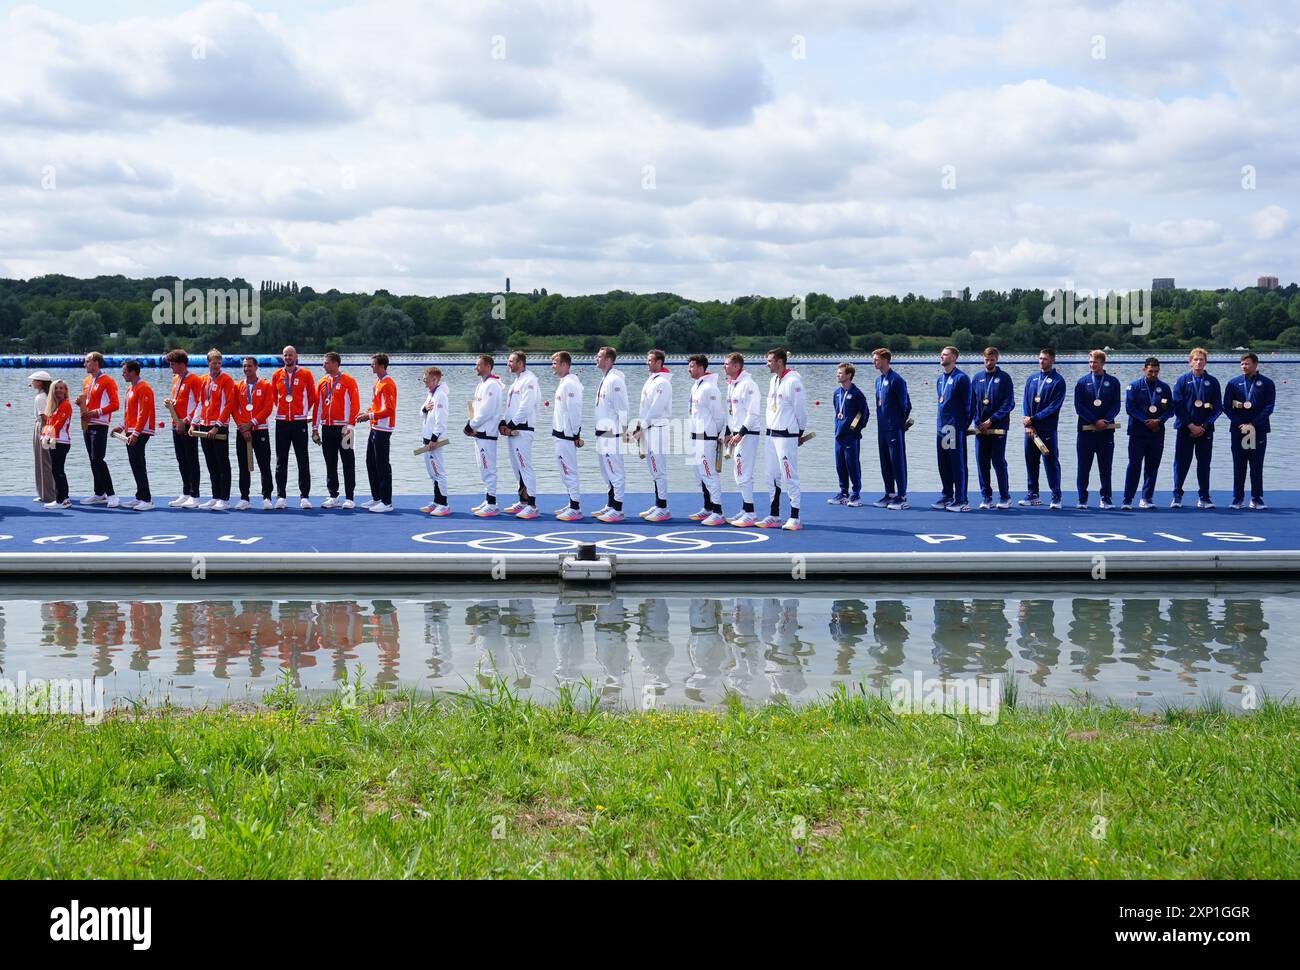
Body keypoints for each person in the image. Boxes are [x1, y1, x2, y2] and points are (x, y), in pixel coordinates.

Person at [759, 347, 806, 531]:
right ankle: (774, 514)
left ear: (779, 362)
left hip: (786, 435)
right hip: (771, 434)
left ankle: (795, 517)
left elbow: (801, 410)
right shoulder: (773, 380)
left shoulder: (793, 381)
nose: (767, 364)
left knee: (789, 476)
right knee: (771, 476)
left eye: (770, 361)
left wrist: (799, 432)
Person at [1171, 347, 1222, 509]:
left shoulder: (1213, 382)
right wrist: (1190, 425)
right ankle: (1177, 496)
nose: (1199, 362)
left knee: (1204, 464)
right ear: (1190, 362)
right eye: (1196, 359)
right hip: (1185, 428)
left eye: (1202, 360)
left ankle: (1204, 497)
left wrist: (1204, 426)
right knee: (1181, 463)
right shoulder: (1182, 380)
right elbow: (1177, 406)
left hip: (1205, 430)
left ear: (1206, 362)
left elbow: (1218, 408)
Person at [1224, 351, 1275, 510]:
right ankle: (1238, 498)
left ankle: (1256, 498)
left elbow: (1269, 407)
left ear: (1255, 364)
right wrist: (1240, 424)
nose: (1244, 366)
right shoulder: (1233, 383)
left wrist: (1253, 424)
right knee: (1239, 465)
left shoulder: (1267, 383)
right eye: (1242, 364)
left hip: (1258, 430)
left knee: (1256, 465)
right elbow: (1227, 407)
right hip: (1238, 430)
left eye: (1247, 363)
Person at [1121, 356, 1173, 509]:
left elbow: (1171, 410)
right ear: (1144, 370)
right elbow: (1130, 409)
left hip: (1157, 432)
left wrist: (1159, 421)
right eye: (1150, 371)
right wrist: (1146, 421)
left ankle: (1146, 498)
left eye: (1156, 371)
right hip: (1138, 432)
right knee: (1134, 465)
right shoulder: (1133, 387)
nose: (1153, 374)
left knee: (1152, 466)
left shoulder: (1164, 388)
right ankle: (1128, 499)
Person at [1073, 349, 1122, 509]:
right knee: (1083, 467)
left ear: (1103, 363)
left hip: (1106, 431)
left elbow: (1116, 405)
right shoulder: (1082, 382)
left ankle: (1106, 498)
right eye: (1090, 362)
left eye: (1095, 362)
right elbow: (1078, 406)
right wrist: (1094, 421)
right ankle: (1082, 499)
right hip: (1086, 431)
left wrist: (1105, 421)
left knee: (1105, 467)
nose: (1092, 365)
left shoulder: (1113, 382)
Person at [271, 345, 316, 509]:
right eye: (285, 355)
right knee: (280, 460)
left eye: (290, 355)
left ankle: (304, 496)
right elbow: (274, 397)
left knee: (302, 459)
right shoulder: (277, 375)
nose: (288, 358)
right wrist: (283, 410)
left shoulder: (306, 374)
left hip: (299, 422)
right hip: (282, 422)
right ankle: (281, 496)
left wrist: (302, 411)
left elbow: (312, 396)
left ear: (296, 356)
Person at [313, 352, 360, 510]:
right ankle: (333, 496)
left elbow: (355, 404)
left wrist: (351, 426)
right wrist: (315, 428)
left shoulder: (349, 381)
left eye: (326, 362)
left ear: (335, 363)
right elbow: (318, 406)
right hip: (327, 428)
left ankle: (350, 498)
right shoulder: (322, 382)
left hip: (345, 429)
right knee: (330, 463)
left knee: (348, 462)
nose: (323, 365)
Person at [1019, 347, 1065, 509]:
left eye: (1045, 359)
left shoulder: (1058, 381)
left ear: (1053, 360)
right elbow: (1025, 401)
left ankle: (1056, 496)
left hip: (1047, 429)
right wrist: (1027, 422)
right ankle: (1033, 494)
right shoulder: (1032, 378)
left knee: (1051, 462)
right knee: (1031, 462)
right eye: (1040, 358)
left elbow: (1054, 406)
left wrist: (1034, 419)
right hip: (1030, 429)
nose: (1041, 361)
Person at [969, 347, 1014, 510]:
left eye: (992, 360)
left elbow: (1009, 403)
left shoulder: (1004, 378)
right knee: (982, 463)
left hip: (998, 428)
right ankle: (986, 497)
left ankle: (1005, 497)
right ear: (983, 359)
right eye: (986, 360)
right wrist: (977, 421)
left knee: (998, 462)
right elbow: (972, 403)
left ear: (997, 359)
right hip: (981, 429)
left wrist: (992, 420)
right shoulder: (977, 378)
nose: (989, 362)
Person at [686, 354, 726, 526]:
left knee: (710, 474)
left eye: (692, 366)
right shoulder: (696, 386)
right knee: (700, 475)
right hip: (696, 437)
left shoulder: (710, 388)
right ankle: (708, 507)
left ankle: (718, 512)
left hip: (706, 438)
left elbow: (719, 416)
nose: (689, 369)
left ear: (701, 368)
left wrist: (714, 435)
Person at [723, 352, 762, 527]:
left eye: (727, 364)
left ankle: (751, 513)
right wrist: (728, 432)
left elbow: (753, 413)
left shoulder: (748, 385)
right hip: (737, 434)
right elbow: (731, 412)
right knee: (739, 474)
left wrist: (741, 433)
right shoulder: (732, 384)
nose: (724, 366)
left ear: (737, 366)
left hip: (747, 434)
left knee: (743, 473)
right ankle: (746, 509)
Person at [501, 351, 540, 519]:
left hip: (523, 429)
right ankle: (523, 501)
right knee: (517, 468)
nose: (508, 364)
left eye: (511, 361)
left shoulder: (530, 380)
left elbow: (526, 407)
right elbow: (511, 407)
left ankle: (532, 505)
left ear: (521, 363)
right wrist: (503, 422)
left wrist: (510, 425)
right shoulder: (517, 381)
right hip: (513, 430)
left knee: (525, 466)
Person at [932, 345, 972, 512]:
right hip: (942, 428)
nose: (941, 357)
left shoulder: (961, 378)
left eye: (945, 354)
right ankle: (947, 495)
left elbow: (969, 405)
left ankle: (961, 499)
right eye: (941, 354)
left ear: (954, 358)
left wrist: (962, 426)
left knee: (957, 464)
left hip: (954, 428)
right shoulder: (940, 379)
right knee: (944, 464)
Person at [592, 346, 630, 523]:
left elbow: (622, 408)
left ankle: (618, 509)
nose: (596, 358)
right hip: (602, 433)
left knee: (615, 471)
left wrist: (624, 430)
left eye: (599, 356)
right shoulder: (605, 378)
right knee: (606, 472)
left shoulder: (615, 380)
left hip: (612, 434)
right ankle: (610, 504)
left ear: (608, 360)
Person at [78, 351, 120, 507]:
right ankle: (99, 493)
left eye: (87, 361)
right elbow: (90, 401)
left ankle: (112, 494)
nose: (84, 364)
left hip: (100, 424)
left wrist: (95, 412)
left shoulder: (108, 381)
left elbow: (115, 404)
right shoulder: (86, 380)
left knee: (98, 459)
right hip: (87, 424)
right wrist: (81, 404)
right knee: (92, 459)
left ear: (96, 362)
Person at [464, 354, 504, 516]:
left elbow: (487, 411)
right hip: (478, 433)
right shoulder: (481, 384)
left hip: (487, 433)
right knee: (483, 468)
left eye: (479, 365)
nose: (476, 367)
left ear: (488, 367)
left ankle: (493, 503)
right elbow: (475, 408)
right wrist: (470, 425)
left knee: (488, 468)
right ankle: (488, 499)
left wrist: (471, 425)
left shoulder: (493, 385)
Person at [113, 359, 156, 511]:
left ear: (133, 372)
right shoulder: (130, 389)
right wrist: (121, 426)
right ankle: (140, 496)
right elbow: (128, 413)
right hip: (131, 430)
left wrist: (136, 433)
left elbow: (144, 412)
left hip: (141, 431)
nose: (122, 374)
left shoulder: (144, 388)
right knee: (134, 464)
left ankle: (147, 499)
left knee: (139, 464)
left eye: (125, 372)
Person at [233, 356, 275, 511]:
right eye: (244, 366)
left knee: (264, 465)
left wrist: (251, 424)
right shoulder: (237, 386)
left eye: (249, 366)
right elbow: (233, 408)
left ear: (256, 367)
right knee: (243, 466)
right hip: (242, 432)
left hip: (260, 430)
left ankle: (267, 497)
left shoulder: (265, 385)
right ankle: (245, 498)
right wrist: (243, 428)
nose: (246, 369)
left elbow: (268, 408)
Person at [196, 349, 235, 511]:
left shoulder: (227, 380)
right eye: (214, 362)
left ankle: (224, 499)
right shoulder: (203, 379)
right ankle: (215, 496)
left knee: (222, 462)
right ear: (208, 363)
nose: (217, 365)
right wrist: (194, 423)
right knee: (210, 462)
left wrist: (217, 426)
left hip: (219, 426)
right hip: (204, 425)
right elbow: (200, 403)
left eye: (219, 363)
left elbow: (229, 405)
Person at [873, 348, 912, 510]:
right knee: (885, 462)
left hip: (894, 428)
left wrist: (899, 424)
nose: (874, 362)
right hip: (882, 428)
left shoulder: (897, 380)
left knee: (897, 462)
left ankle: (902, 496)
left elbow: (906, 405)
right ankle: (889, 493)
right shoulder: (878, 380)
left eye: (876, 359)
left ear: (885, 360)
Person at [358, 353, 397, 513]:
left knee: (382, 464)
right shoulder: (378, 382)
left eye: (373, 364)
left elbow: (389, 409)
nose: (371, 366)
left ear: (381, 366)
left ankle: (387, 502)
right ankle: (377, 498)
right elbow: (378, 406)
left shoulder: (388, 384)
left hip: (384, 428)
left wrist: (370, 416)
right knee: (371, 462)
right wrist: (367, 413)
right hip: (375, 427)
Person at [637, 349, 673, 521]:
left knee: (659, 469)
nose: (647, 362)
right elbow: (645, 408)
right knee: (654, 469)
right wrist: (640, 425)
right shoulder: (651, 380)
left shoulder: (663, 383)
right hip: (648, 428)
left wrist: (642, 426)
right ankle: (659, 504)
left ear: (659, 362)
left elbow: (656, 409)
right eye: (648, 359)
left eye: (650, 360)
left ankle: (663, 508)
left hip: (658, 428)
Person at [164, 349, 203, 508]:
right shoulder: (176, 379)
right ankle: (186, 492)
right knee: (181, 459)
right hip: (176, 423)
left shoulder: (194, 379)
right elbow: (179, 399)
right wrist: (170, 403)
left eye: (173, 364)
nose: (170, 367)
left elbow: (200, 403)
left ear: (182, 364)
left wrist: (186, 421)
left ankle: (195, 495)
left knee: (191, 459)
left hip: (188, 425)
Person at [551, 351, 585, 521]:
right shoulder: (564, 382)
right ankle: (572, 501)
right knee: (564, 470)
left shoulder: (570, 384)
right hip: (560, 433)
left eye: (555, 363)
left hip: (567, 435)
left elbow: (575, 411)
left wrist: (575, 434)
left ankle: (575, 507)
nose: (553, 366)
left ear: (564, 365)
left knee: (569, 470)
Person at [830, 362, 868, 507]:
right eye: (837, 372)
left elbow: (864, 414)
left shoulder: (857, 394)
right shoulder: (837, 393)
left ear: (849, 375)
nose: (837, 375)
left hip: (851, 437)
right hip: (839, 436)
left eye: (840, 373)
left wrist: (855, 429)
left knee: (852, 465)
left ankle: (856, 494)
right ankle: (843, 493)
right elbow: (838, 413)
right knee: (840, 465)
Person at [419, 367, 452, 516]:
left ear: (434, 379)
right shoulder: (431, 394)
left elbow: (441, 421)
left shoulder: (441, 395)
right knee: (432, 473)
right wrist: (425, 409)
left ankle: (444, 504)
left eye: (425, 378)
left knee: (439, 472)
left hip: (435, 441)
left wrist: (434, 439)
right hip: (427, 439)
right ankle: (437, 501)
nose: (423, 380)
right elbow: (421, 412)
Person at [42, 380, 74, 510]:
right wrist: (44, 435)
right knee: (55, 470)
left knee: (58, 470)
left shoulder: (66, 405)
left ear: (66, 391)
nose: (59, 390)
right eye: (56, 388)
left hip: (62, 441)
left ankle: (64, 499)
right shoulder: (54, 406)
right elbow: (49, 423)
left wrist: (48, 435)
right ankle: (60, 498)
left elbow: (59, 423)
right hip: (53, 441)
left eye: (62, 388)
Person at [28, 370, 56, 505]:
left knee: (42, 461)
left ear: (40, 382)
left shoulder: (40, 397)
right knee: (49, 461)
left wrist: (44, 433)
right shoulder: (48, 395)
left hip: (43, 427)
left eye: (34, 380)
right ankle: (52, 492)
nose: (32, 382)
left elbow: (44, 417)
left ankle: (47, 495)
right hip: (50, 428)